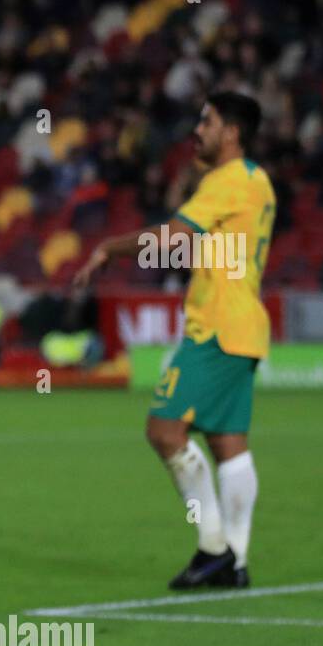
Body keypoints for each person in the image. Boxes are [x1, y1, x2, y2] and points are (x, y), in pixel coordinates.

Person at [75, 91, 275, 590]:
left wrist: (109, 248)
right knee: (228, 443)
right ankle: (237, 561)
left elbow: (172, 238)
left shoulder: (230, 179)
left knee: (164, 430)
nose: (196, 130)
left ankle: (214, 550)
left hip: (219, 327)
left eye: (206, 121)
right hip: (243, 324)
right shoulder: (257, 183)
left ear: (231, 131)